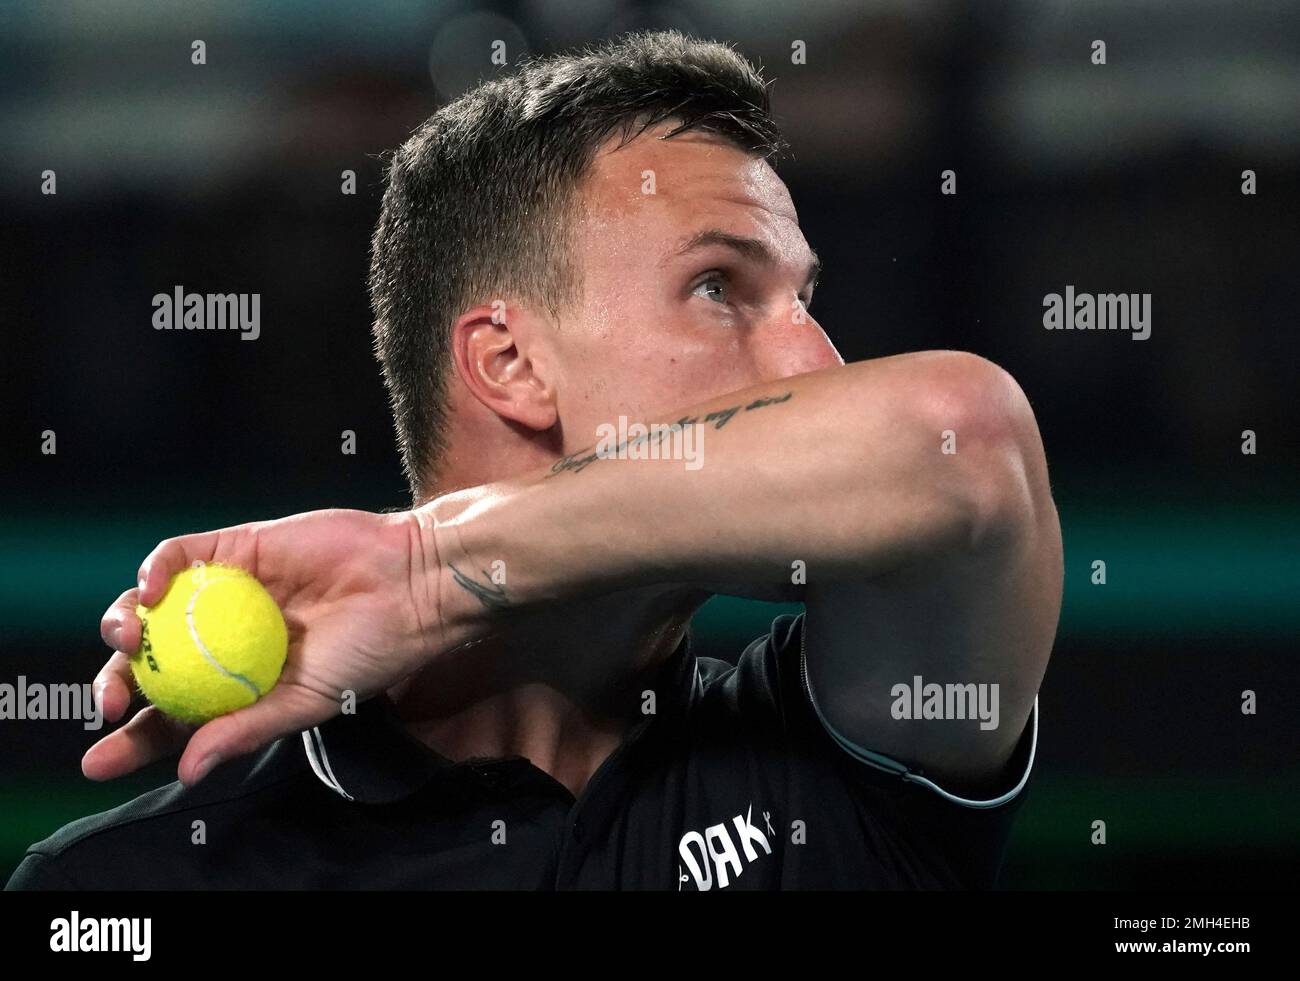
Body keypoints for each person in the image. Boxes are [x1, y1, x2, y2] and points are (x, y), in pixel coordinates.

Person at [7, 30, 1062, 891]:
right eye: (717, 288)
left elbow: (959, 438)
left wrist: (431, 572)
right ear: (508, 363)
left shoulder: (835, 759)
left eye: (806, 302)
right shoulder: (132, 889)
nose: (819, 361)